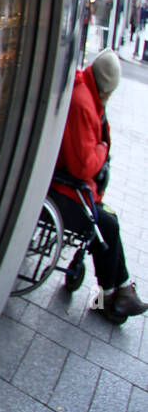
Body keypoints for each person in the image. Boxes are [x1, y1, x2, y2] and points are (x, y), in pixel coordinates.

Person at [51, 49, 148, 321]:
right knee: (107, 225)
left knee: (107, 221)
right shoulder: (83, 103)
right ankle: (113, 295)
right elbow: (83, 166)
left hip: (69, 188)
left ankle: (119, 292)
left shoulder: (87, 93)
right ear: (106, 89)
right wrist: (103, 148)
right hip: (63, 191)